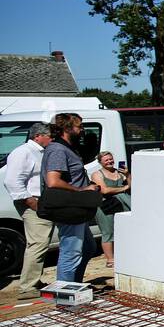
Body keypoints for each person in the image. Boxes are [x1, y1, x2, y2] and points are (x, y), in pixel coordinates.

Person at [40, 113, 100, 283]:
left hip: (76, 208)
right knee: (70, 252)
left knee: (88, 247)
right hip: (69, 208)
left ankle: (74, 286)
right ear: (67, 128)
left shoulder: (66, 148)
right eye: (79, 126)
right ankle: (65, 297)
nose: (82, 130)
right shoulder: (58, 149)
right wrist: (82, 189)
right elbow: (53, 181)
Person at [3, 122, 55, 300]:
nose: (52, 139)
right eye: (50, 135)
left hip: (39, 201)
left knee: (40, 243)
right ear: (38, 136)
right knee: (38, 244)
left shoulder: (38, 151)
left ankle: (33, 281)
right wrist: (31, 202)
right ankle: (28, 287)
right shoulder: (23, 152)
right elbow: (12, 181)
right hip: (32, 202)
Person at [90, 150, 131, 269]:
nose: (110, 162)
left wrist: (128, 175)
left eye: (111, 159)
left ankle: (123, 254)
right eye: (106, 160)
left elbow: (132, 185)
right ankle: (110, 259)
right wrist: (123, 188)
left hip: (121, 203)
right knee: (107, 231)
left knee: (122, 230)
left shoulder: (120, 172)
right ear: (100, 162)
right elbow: (105, 190)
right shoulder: (97, 174)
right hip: (105, 205)